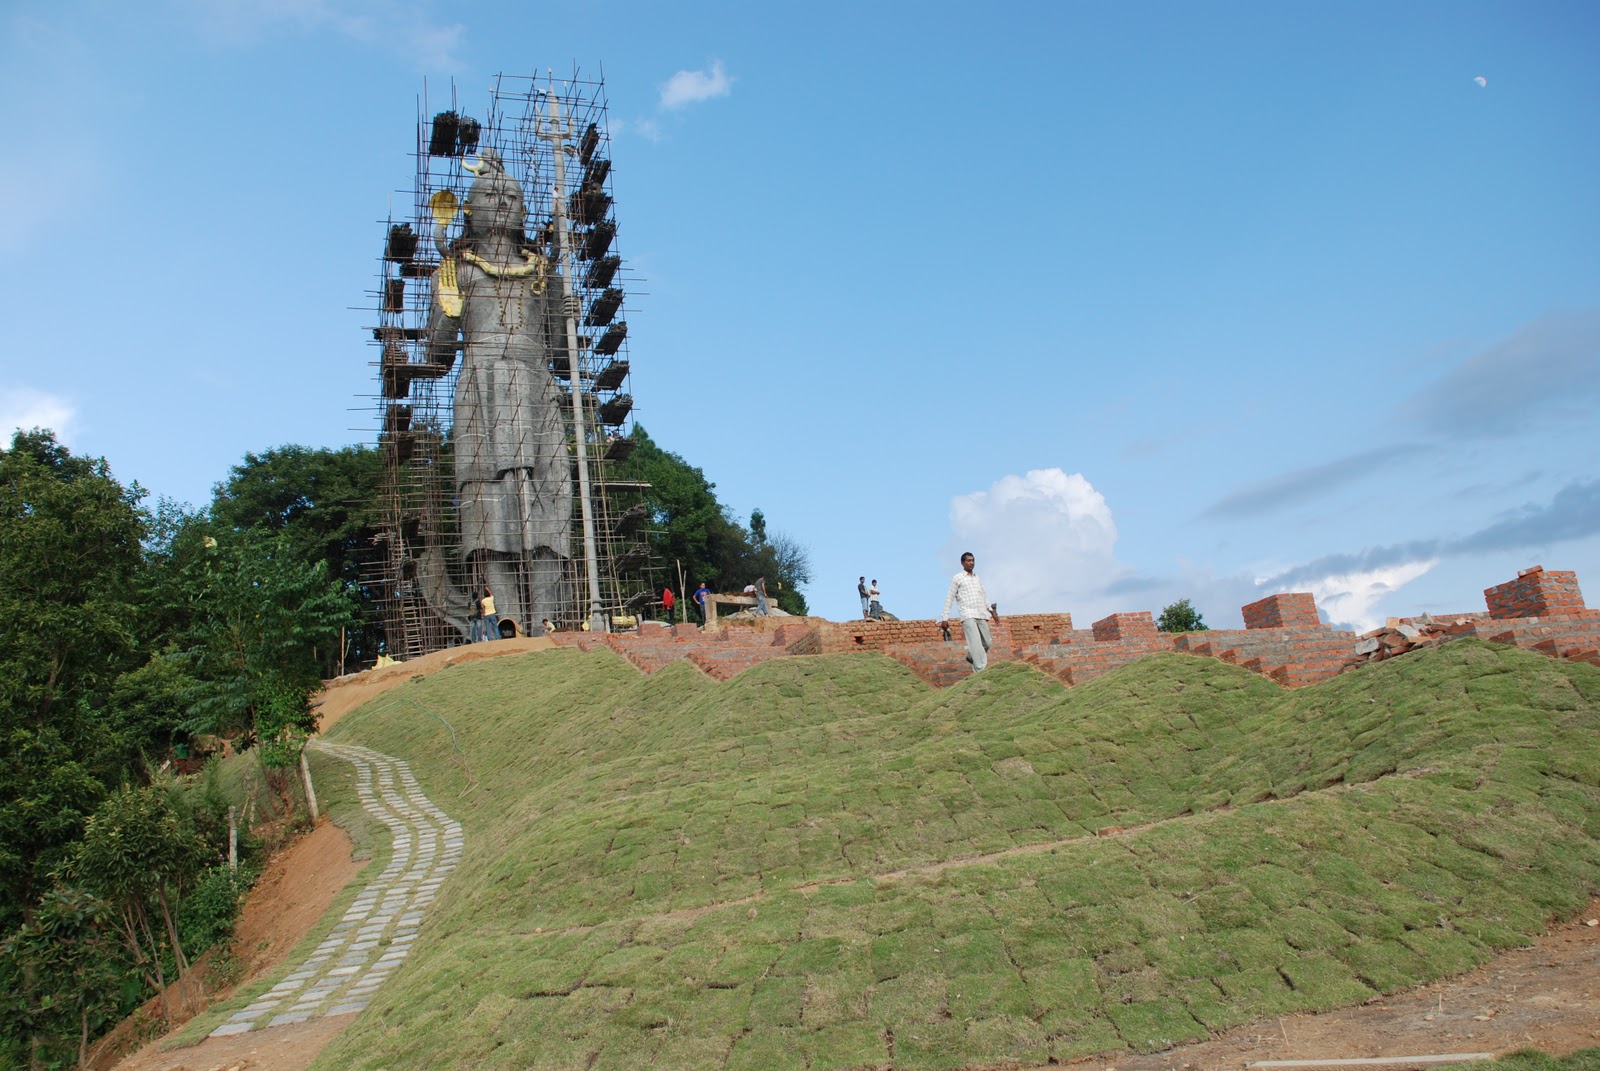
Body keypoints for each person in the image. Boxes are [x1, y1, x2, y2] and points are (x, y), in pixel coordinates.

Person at [427, 150, 570, 639]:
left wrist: (563, 303)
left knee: (553, 494)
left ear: (525, 210)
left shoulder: (541, 269)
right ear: (472, 208)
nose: (504, 203)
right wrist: (447, 308)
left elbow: (559, 351)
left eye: (512, 196)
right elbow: (439, 352)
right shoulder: (459, 270)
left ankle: (547, 616)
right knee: (490, 505)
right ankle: (506, 616)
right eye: (491, 195)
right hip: (482, 389)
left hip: (534, 386)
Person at [938, 552, 998, 671]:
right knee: (975, 644)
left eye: (973, 560)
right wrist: (945, 618)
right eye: (969, 561)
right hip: (968, 615)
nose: (971, 563)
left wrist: (991, 611)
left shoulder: (977, 577)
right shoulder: (958, 578)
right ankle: (980, 671)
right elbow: (949, 598)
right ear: (962, 563)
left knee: (987, 642)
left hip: (981, 613)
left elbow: (983, 595)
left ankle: (972, 656)